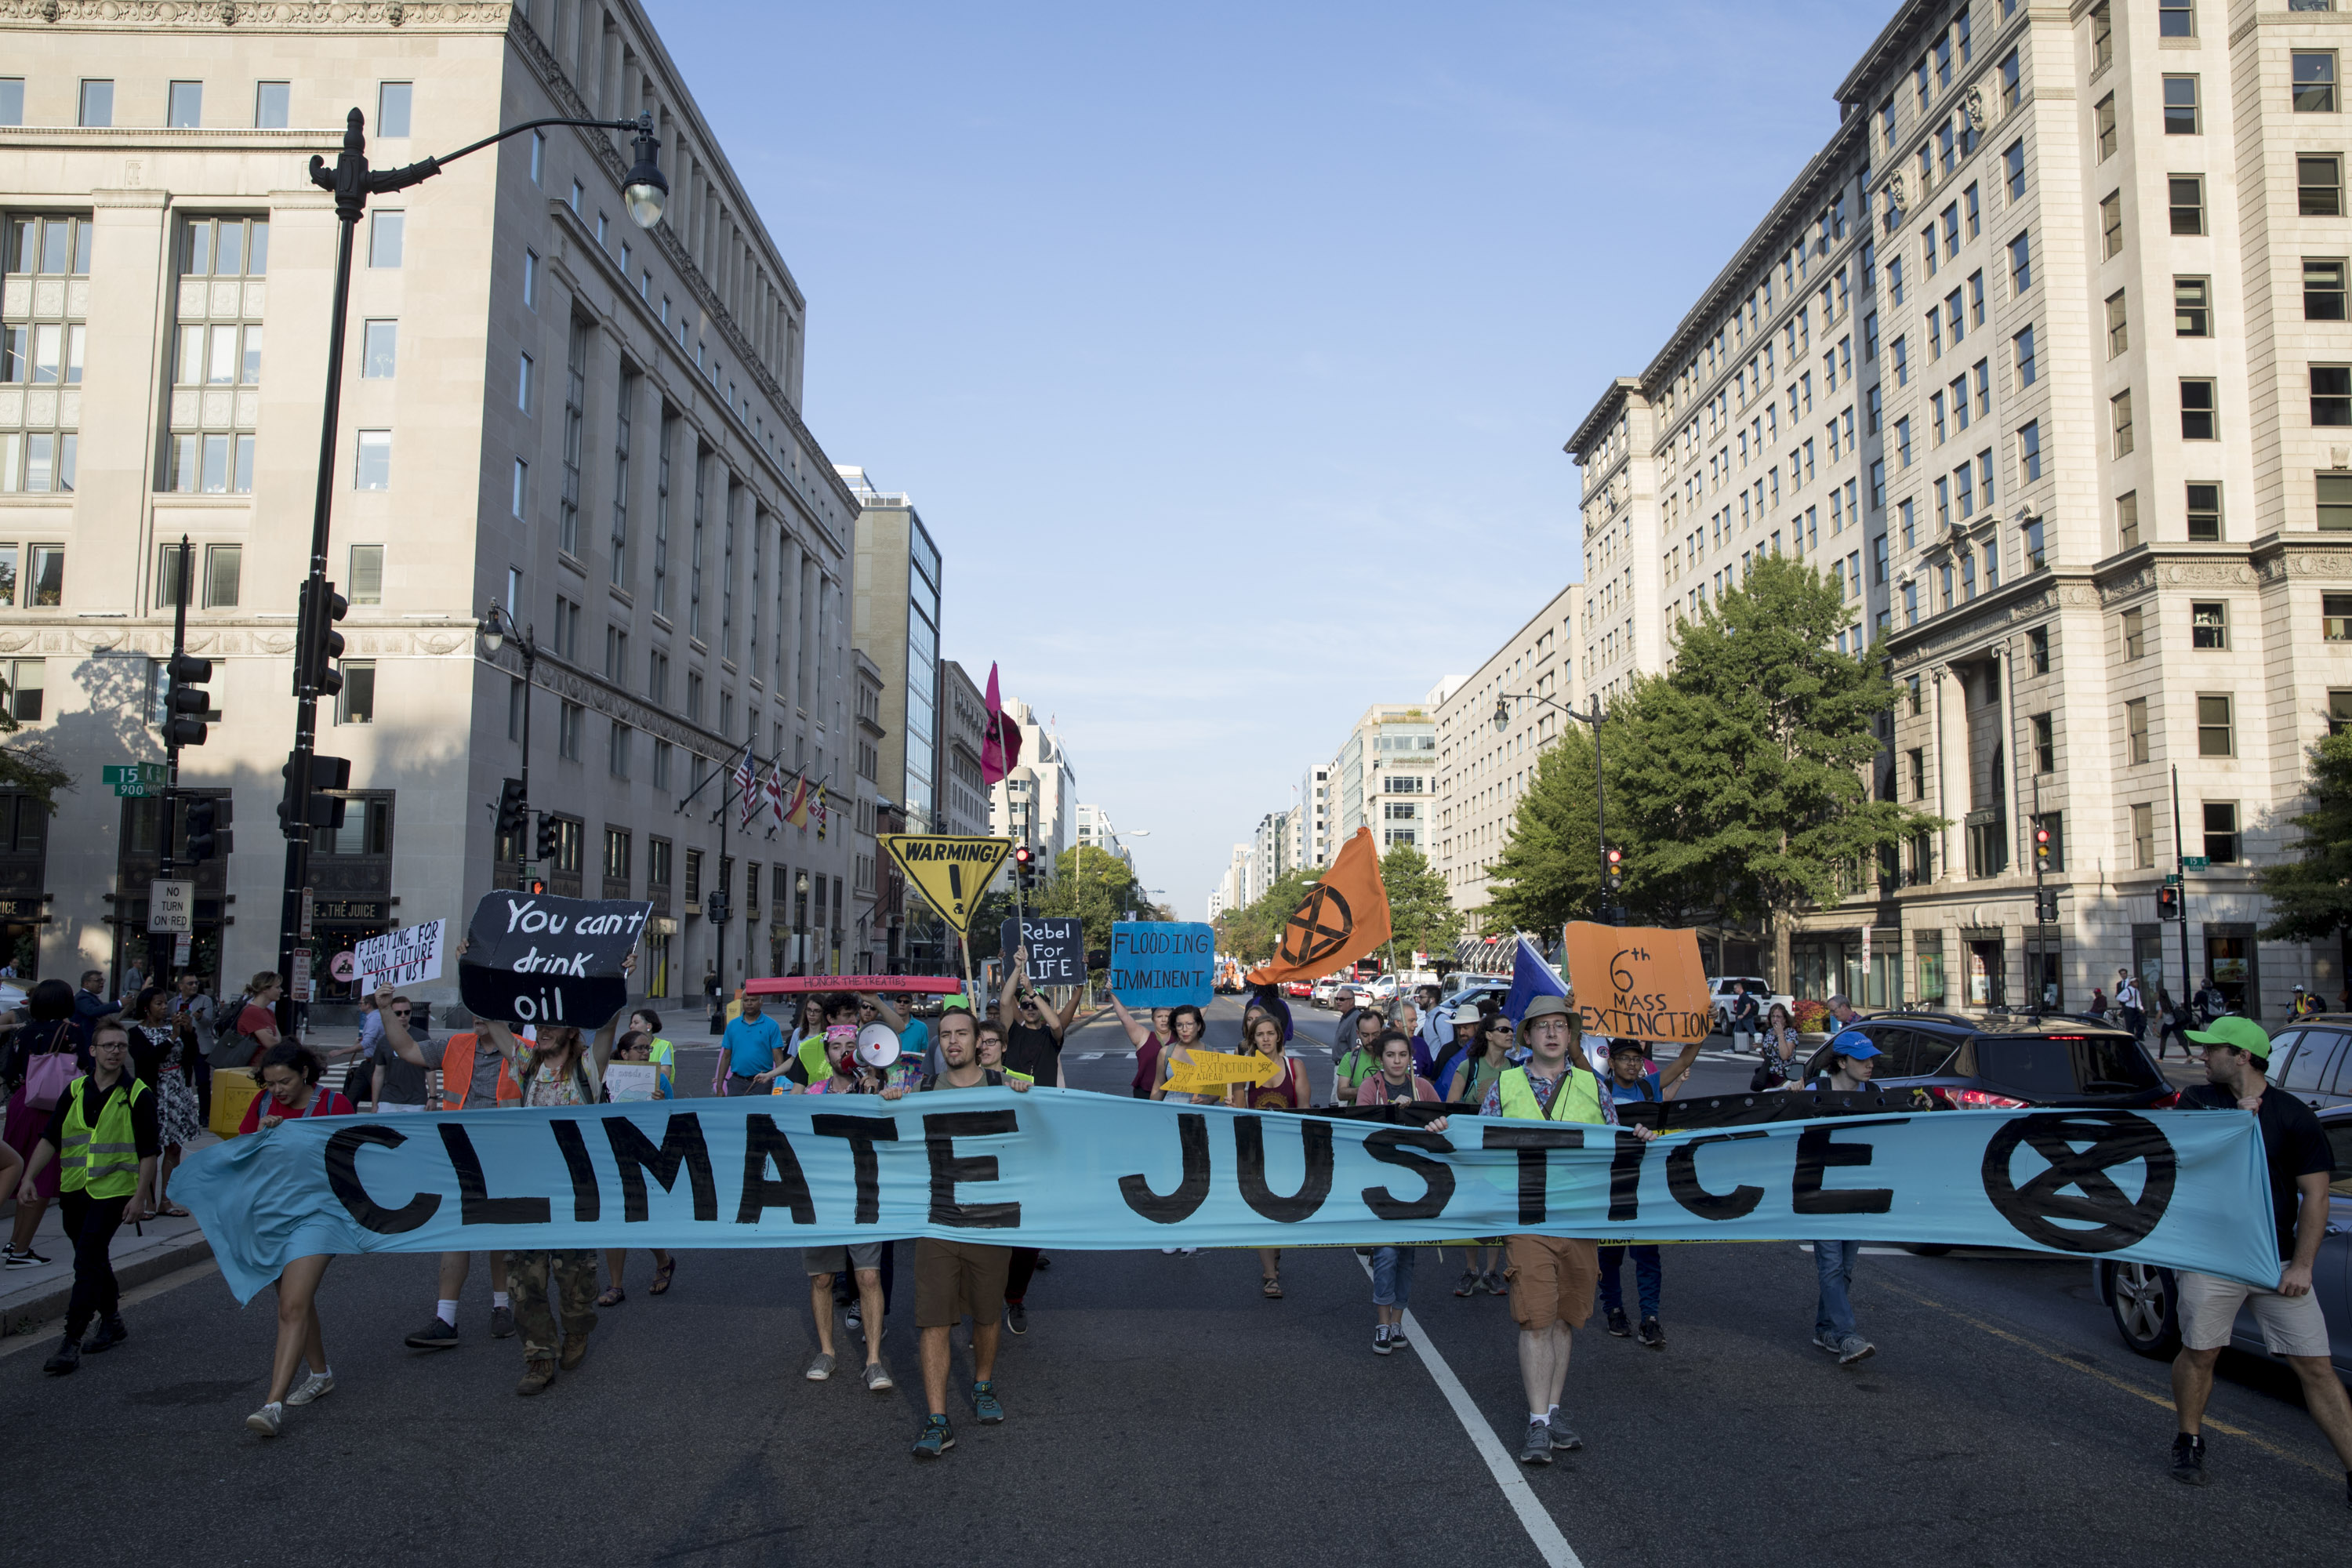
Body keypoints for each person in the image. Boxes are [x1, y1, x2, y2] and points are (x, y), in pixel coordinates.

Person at [2167, 1015, 2352, 1497]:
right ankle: (2189, 1441)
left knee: (2316, 1366)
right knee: (2201, 1352)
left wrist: (2303, 1266)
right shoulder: (2198, 1101)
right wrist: (2235, 1124)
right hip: (2212, 1257)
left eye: (2212, 1050)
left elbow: (2317, 1196)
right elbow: (2182, 1161)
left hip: (2275, 1260)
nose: (2202, 1057)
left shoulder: (2293, 1115)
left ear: (2242, 1056)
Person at [1479, 994, 1653, 1465]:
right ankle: (1537, 1423)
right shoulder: (1504, 1085)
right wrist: (1441, 1128)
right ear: (1528, 1036)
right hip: (1528, 1219)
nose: (1553, 1033)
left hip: (1579, 1220)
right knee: (1536, 1319)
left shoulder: (1594, 1086)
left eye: (1561, 1025)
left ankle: (1553, 1413)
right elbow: (1479, 1144)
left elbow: (1616, 1142)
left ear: (1570, 1035)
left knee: (1563, 1319)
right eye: (1543, 1026)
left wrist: (1640, 1137)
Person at [880, 1006, 1030, 1458]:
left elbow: (1042, 1137)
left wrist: (1027, 1097)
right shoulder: (922, 1090)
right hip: (937, 1222)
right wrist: (889, 1099)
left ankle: (982, 1385)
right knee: (933, 1320)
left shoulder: (1004, 1086)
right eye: (945, 1034)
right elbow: (890, 1140)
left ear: (979, 1040)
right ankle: (937, 1419)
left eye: (961, 1033)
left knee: (986, 1314)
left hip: (991, 1222)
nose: (952, 1042)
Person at [476, 998, 628, 1394]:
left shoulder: (586, 1068)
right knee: (525, 1278)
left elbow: (608, 1028)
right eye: (539, 1025)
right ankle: (539, 1357)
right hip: (530, 1189)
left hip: (573, 1192)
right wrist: (473, 978)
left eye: (552, 1026)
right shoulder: (527, 1063)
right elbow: (494, 1023)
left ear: (571, 1031)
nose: (542, 1031)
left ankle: (577, 1328)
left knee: (574, 1276)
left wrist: (616, 985)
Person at [373, 985, 521, 1348]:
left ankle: (502, 1307)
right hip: (458, 1155)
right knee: (457, 1235)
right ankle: (445, 1319)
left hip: (505, 1158)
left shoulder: (523, 1052)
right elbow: (407, 1049)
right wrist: (385, 1010)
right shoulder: (456, 1045)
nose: (476, 1016)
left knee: (499, 1236)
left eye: (483, 1009)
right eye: (474, 1009)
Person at [20, 1020, 158, 1377]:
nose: (115, 1051)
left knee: (86, 1261)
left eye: (121, 1046)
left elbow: (149, 1152)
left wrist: (140, 1198)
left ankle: (71, 1341)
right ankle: (112, 1320)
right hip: (74, 1189)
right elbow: (51, 1138)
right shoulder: (75, 1090)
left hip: (115, 1191)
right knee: (93, 1259)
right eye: (108, 1045)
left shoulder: (138, 1094)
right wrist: (29, 1177)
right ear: (93, 1051)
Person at [237, 1040, 354, 1432]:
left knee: (291, 1304)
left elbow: (354, 1158)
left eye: (284, 1081)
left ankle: (272, 1405)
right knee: (295, 1303)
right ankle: (320, 1374)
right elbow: (241, 1156)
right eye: (270, 1083)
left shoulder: (335, 1105)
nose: (277, 1090)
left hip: (319, 1216)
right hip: (272, 1216)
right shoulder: (263, 1105)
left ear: (305, 1072)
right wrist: (259, 1136)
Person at [1596, 1038, 1702, 1348]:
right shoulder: (1599, 1088)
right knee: (1610, 1254)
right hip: (1610, 1183)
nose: (1632, 1064)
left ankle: (1650, 1318)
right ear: (1611, 1063)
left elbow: (1684, 1061)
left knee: (1647, 1255)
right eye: (1624, 1058)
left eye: (1637, 1058)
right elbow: (1575, 1056)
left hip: (1646, 1184)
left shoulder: (1649, 1086)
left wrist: (1702, 1027)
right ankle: (1614, 1310)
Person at [1356, 1029, 1449, 1354]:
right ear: (1380, 1059)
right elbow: (1360, 1128)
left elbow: (1443, 1122)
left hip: (1416, 1185)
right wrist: (1391, 1112)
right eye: (1390, 1055)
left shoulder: (1423, 1088)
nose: (1397, 1061)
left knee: (1407, 1256)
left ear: (1411, 1058)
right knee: (1386, 1253)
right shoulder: (1370, 1088)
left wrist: (1426, 1117)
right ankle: (1382, 1323)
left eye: (1403, 1055)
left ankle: (1397, 1322)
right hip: (1380, 1183)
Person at [1806, 1030, 1882, 1366]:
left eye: (1872, 1059)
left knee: (1845, 1267)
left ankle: (1825, 1329)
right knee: (1832, 1265)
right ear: (1841, 1062)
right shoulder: (1815, 1091)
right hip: (1819, 1192)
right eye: (1862, 1059)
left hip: (1858, 1191)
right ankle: (1847, 1336)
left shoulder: (1876, 1094)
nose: (1870, 1065)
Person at [1232, 1010, 1309, 1300]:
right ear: (1253, 1039)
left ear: (1278, 1037)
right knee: (1262, 1212)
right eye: (1259, 1034)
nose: (1265, 1039)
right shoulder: (1244, 1069)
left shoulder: (1295, 1067)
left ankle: (1274, 1254)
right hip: (1257, 1151)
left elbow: (1304, 1111)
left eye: (1270, 1034)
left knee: (1282, 1212)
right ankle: (1270, 1275)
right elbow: (1240, 1113)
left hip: (1288, 1153)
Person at [597, 1030, 676, 1307]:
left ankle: (663, 1260)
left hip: (645, 1153)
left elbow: (675, 1116)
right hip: (613, 1150)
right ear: (624, 1053)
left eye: (648, 1049)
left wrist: (662, 1104)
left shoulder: (660, 1080)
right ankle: (615, 1285)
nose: (645, 1053)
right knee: (615, 1219)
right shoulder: (606, 1077)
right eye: (640, 1048)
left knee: (640, 1216)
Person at [2, 977, 78, 1268]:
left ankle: (14, 1241)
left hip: (22, 1102)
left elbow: (9, 1070)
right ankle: (21, 1250)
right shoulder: (71, 1032)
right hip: (51, 1105)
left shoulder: (23, 1032)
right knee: (43, 1177)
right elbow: (88, 1066)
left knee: (22, 1171)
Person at [124, 986, 201, 1218]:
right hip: (152, 1094)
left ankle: (167, 1201)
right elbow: (147, 1060)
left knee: (174, 1147)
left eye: (165, 1003)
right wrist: (173, 1037)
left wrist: (188, 1032)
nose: (164, 1007)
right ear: (146, 1008)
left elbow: (191, 1056)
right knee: (151, 1148)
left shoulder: (175, 1028)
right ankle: (148, 1202)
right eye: (158, 1003)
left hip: (176, 1092)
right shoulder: (136, 1033)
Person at [998, 947, 1076, 1087]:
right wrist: (1017, 968)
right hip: (1015, 1094)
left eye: (1035, 1005)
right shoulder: (1013, 1031)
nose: (1030, 1009)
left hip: (1043, 1097)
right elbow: (1005, 1002)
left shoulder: (1050, 1036)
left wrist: (1031, 992)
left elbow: (1056, 1025)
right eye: (1025, 1005)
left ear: (1042, 1007)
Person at [361, 994, 432, 1115]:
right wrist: (374, 1104)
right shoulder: (384, 1040)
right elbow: (378, 1073)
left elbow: (430, 1070)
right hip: (388, 1100)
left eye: (407, 1012)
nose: (403, 1016)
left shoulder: (422, 1037)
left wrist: (433, 1097)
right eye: (398, 1013)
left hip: (416, 1101)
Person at [720, 985, 786, 1094]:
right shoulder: (732, 1025)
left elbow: (778, 1057)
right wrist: (719, 1087)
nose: (749, 1003)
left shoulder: (772, 1025)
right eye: (746, 1000)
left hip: (762, 1083)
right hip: (736, 1082)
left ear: (761, 1002)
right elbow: (726, 1056)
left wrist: (781, 1086)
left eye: (753, 1000)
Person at [172, 972, 217, 1125]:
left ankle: (205, 1114)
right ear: (181, 986)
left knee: (203, 1081)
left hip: (200, 1046)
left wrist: (199, 1017)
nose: (194, 986)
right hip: (181, 1046)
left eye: (196, 983)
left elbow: (208, 1022)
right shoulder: (172, 1003)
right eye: (190, 983)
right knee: (182, 1080)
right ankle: (181, 1111)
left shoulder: (205, 1000)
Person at [1109, 993, 1174, 1100]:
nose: (1164, 1020)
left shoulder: (1182, 1037)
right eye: (1159, 1016)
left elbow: (1196, 1018)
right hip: (1145, 1094)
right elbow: (1124, 1016)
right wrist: (1112, 992)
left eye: (1167, 1016)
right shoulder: (1143, 1036)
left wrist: (1205, 989)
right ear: (1153, 1019)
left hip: (1175, 1094)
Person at [220, 972, 284, 1069]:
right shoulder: (253, 1012)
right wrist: (276, 1038)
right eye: (277, 987)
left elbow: (277, 1039)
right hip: (251, 1067)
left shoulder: (269, 1012)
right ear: (265, 989)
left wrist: (276, 1038)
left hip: (264, 1065)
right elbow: (272, 1044)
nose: (281, 990)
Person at [1332, 1005, 1387, 1108]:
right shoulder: (1350, 1058)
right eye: (1365, 1035)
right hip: (1359, 1115)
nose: (1370, 1040)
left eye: (1375, 1034)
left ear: (1382, 1031)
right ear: (1358, 1033)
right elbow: (1341, 1093)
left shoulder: (1393, 1057)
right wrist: (1366, 1090)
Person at [69, 967, 123, 1054]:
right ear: (86, 983)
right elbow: (92, 1011)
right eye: (98, 980)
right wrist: (119, 1003)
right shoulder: (82, 997)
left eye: (103, 980)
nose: (102, 983)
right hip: (86, 1040)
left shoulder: (91, 996)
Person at [1753, 1002, 1803, 1090]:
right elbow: (1769, 1057)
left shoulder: (1791, 1033)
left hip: (1785, 1075)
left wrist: (1780, 1034)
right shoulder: (1769, 1032)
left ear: (1785, 1019)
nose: (1775, 1019)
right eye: (1773, 1016)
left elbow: (1785, 1056)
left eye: (1778, 1017)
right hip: (1769, 1074)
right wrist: (1760, 1049)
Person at [2154, 984, 2191, 1060]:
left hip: (2167, 1024)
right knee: (2181, 1040)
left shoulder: (2159, 1003)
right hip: (2175, 1023)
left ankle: (2161, 1058)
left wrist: (2155, 1022)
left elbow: (2160, 1013)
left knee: (2163, 1040)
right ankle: (2189, 1055)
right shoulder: (2171, 1001)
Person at [1728, 982, 1760, 1054]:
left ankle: (1762, 1045)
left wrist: (1742, 1015)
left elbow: (1748, 1007)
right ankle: (1733, 1048)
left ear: (1739, 988)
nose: (1734, 990)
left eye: (1735, 988)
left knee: (1753, 1032)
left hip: (1746, 1018)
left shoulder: (1744, 996)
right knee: (1736, 1033)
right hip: (1741, 1019)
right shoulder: (1741, 996)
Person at [2116, 970, 2146, 1041]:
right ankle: (2131, 1039)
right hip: (2129, 1009)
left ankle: (2138, 1036)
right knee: (2130, 1026)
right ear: (2131, 983)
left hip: (2136, 1009)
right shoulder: (2127, 990)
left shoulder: (2137, 991)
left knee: (2142, 1024)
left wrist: (2141, 1008)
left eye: (2137, 982)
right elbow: (2118, 997)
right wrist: (2127, 999)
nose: (2136, 983)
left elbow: (2138, 1001)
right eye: (2135, 982)